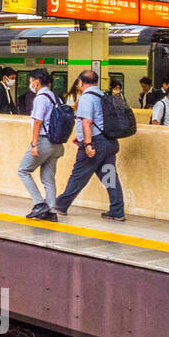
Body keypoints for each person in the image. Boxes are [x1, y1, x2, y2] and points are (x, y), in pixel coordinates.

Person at [53, 69, 125, 222]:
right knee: (110, 176)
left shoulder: (86, 98)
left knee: (79, 175)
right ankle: (117, 210)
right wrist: (79, 137)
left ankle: (60, 204)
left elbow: (87, 122)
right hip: (109, 142)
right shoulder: (102, 96)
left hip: (95, 142)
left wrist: (87, 144)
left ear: (80, 82)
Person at [17, 69, 64, 220]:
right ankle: (51, 211)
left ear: (36, 81)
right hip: (57, 144)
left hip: (44, 141)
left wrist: (34, 144)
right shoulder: (55, 97)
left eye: (31, 81)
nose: (30, 84)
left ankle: (39, 204)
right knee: (48, 178)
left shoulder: (41, 98)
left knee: (23, 170)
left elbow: (38, 121)